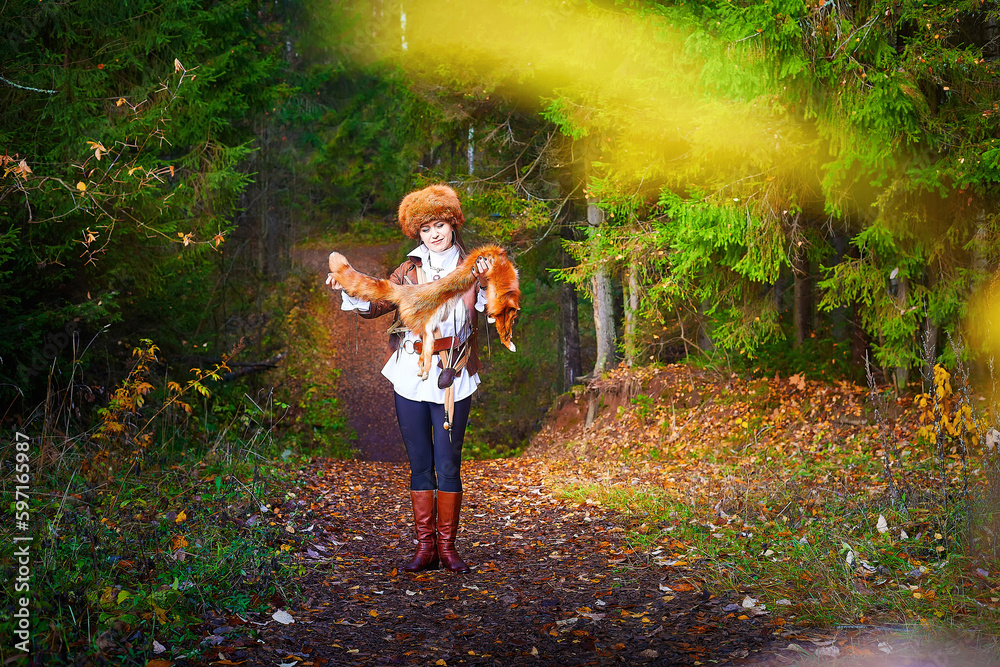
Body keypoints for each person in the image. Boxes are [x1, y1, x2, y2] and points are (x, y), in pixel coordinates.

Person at [326, 184, 491, 574]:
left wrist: (485, 281)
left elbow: (494, 307)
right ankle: (425, 548)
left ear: (452, 224)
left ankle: (449, 550)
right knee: (419, 464)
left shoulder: (473, 267)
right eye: (426, 228)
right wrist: (348, 285)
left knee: (448, 464)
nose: (435, 234)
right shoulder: (410, 269)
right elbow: (377, 304)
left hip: (454, 374)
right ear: (418, 233)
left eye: (440, 225)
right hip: (410, 374)